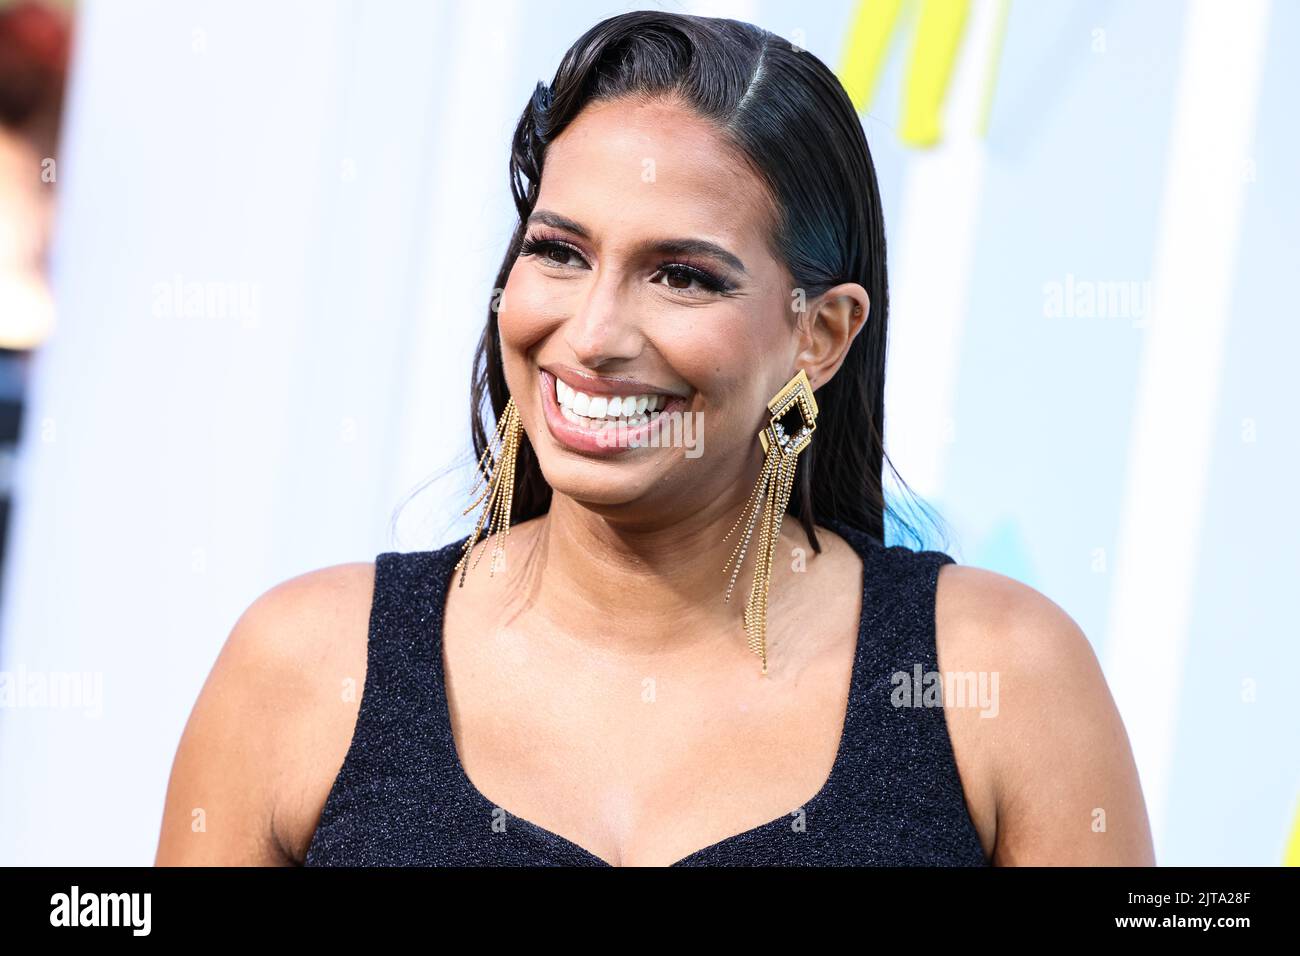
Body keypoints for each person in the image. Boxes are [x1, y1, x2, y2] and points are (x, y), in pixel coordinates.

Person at [155, 10, 1154, 867]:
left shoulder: (1002, 678)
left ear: (820, 332)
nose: (591, 336)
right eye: (558, 252)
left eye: (681, 274)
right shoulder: (298, 665)